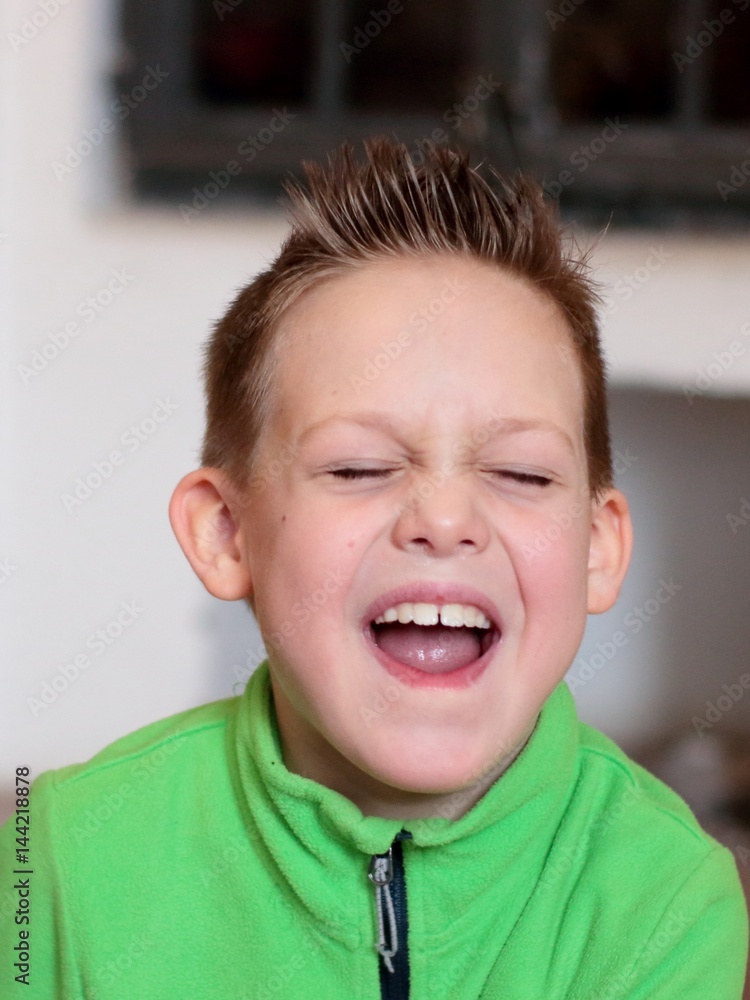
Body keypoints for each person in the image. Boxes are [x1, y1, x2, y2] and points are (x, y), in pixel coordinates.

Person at [2, 137, 747, 999]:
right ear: (226, 533)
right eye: (358, 468)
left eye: (521, 474)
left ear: (597, 549)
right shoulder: (61, 859)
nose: (444, 520)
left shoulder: (665, 899)